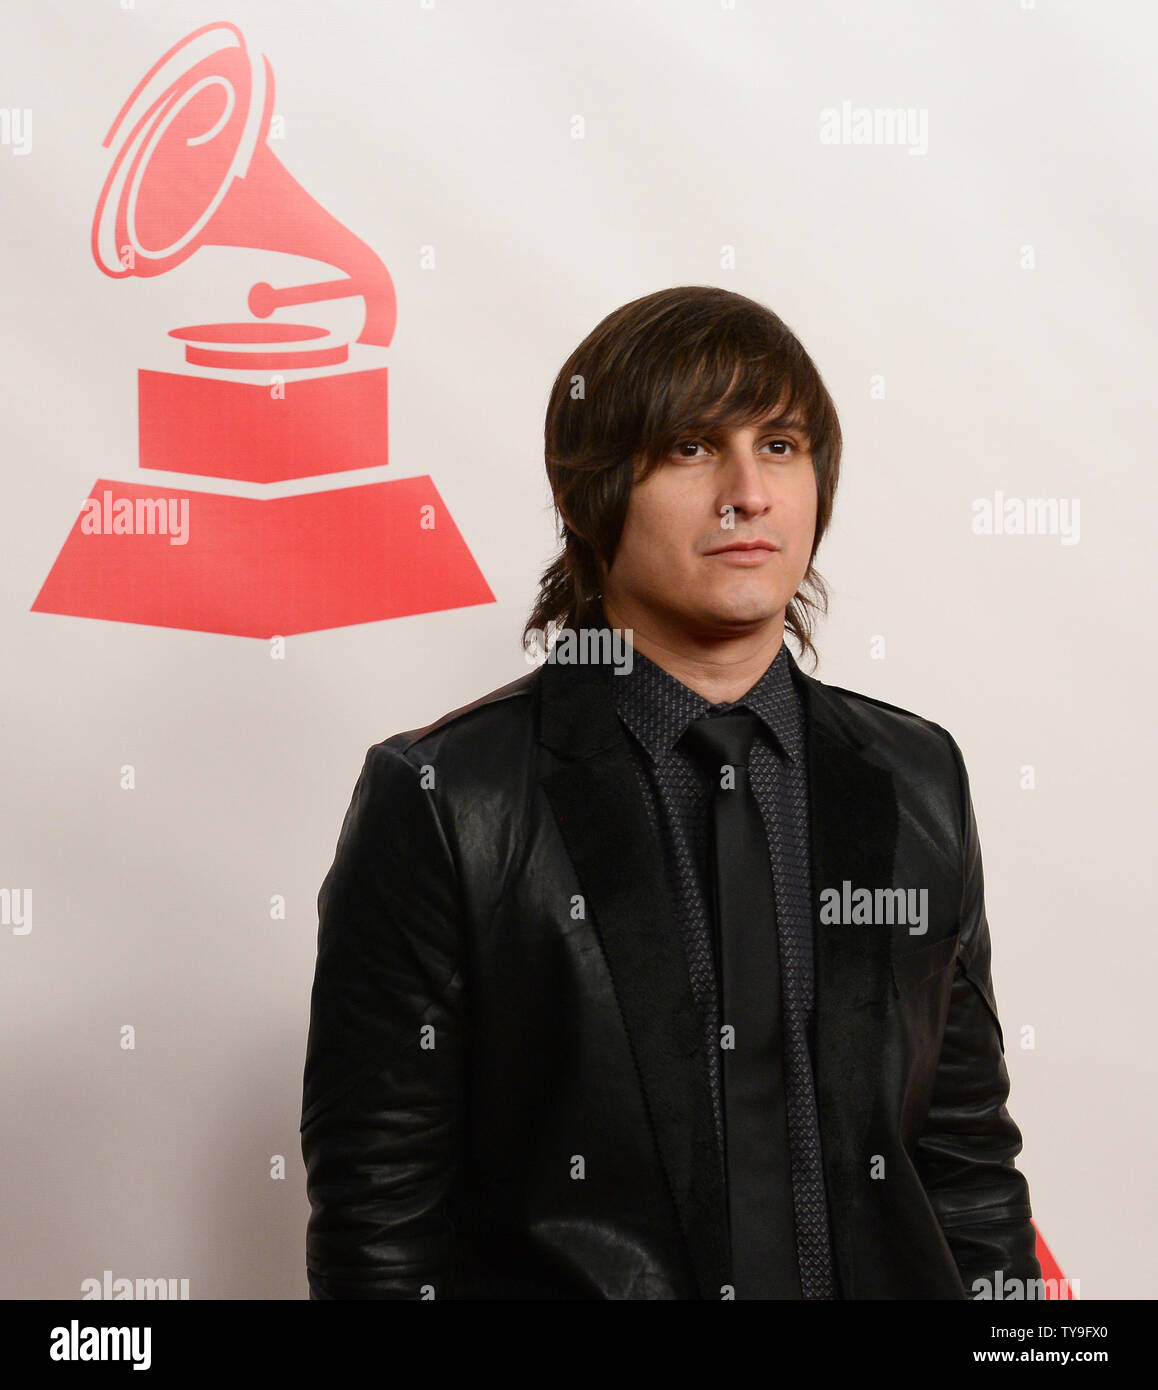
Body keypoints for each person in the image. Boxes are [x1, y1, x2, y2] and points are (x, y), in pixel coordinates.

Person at [299, 285, 1040, 1299]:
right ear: (589, 492)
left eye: (780, 446)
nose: (748, 492)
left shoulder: (915, 778)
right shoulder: (446, 799)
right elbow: (380, 1224)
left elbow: (967, 1167)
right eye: (693, 448)